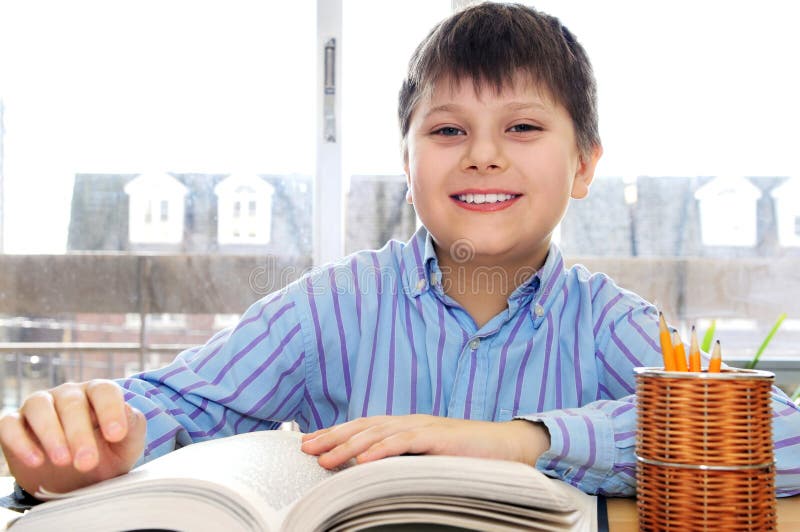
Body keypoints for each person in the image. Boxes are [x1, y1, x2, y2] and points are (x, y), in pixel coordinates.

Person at [2, 2, 799, 499]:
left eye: (522, 127)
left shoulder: (610, 323)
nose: (483, 155)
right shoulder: (332, 306)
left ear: (585, 163)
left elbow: (784, 439)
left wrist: (522, 439)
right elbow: (182, 403)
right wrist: (89, 440)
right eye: (447, 130)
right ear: (407, 164)